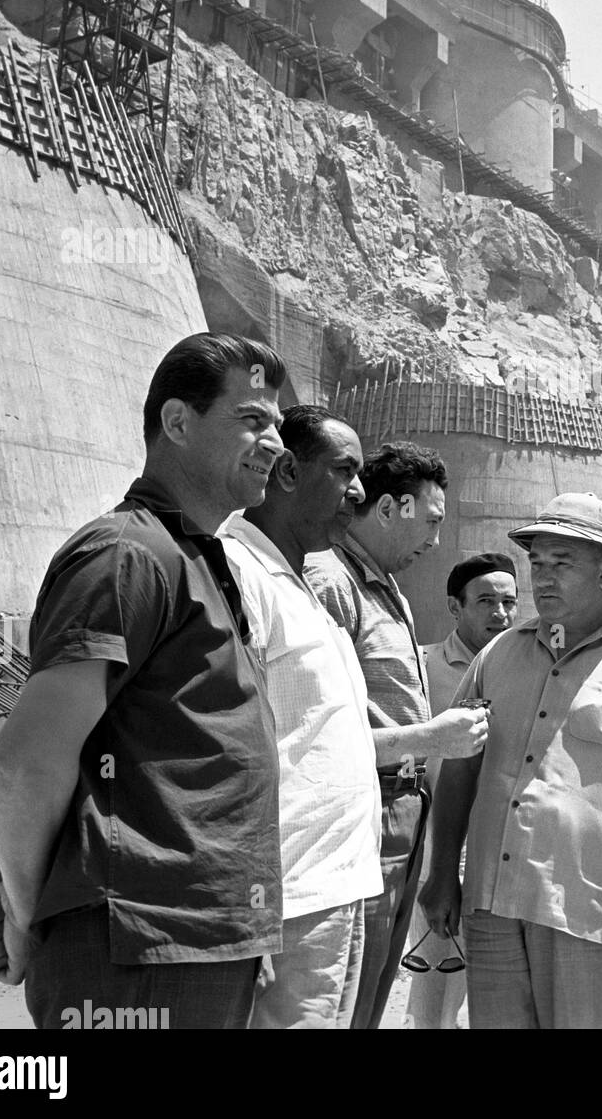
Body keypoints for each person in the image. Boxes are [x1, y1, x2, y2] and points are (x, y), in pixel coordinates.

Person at [0, 333, 288, 1028]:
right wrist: (22, 914)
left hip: (198, 944)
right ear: (176, 422)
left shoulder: (195, 557)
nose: (275, 442)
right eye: (253, 419)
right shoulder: (127, 555)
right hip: (139, 949)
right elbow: (27, 762)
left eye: (279, 425)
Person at [419, 493, 602, 1029]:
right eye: (537, 563)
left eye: (562, 564)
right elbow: (461, 764)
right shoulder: (500, 654)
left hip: (592, 918)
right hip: (494, 909)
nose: (543, 578)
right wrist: (442, 872)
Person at [303, 442, 488, 1030]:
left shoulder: (384, 589)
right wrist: (433, 738)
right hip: (363, 811)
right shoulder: (332, 584)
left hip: (399, 811)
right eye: (431, 521)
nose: (436, 540)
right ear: (390, 508)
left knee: (376, 985)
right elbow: (319, 730)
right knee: (343, 990)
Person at [221, 404, 382, 1028]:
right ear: (287, 471)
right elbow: (228, 746)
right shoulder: (241, 571)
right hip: (286, 898)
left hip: (333, 888)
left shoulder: (296, 579)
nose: (361, 490)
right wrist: (248, 906)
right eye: (345, 470)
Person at [406, 552, 519, 1030]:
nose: (500, 613)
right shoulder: (423, 666)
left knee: (502, 988)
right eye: (486, 601)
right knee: (435, 980)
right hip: (441, 849)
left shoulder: (527, 667)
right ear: (455, 607)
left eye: (509, 602)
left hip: (505, 851)